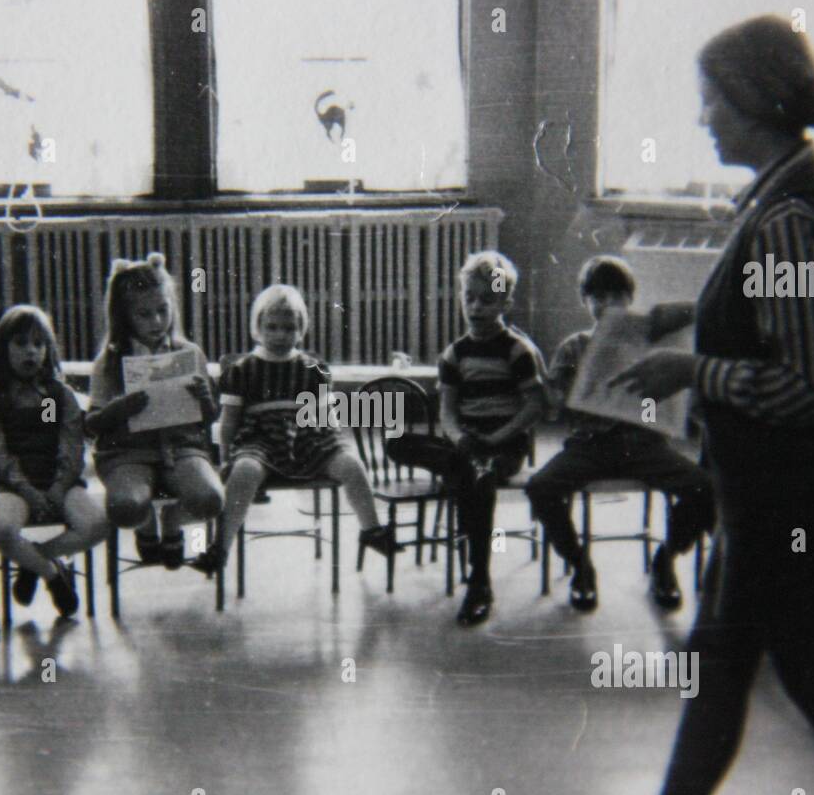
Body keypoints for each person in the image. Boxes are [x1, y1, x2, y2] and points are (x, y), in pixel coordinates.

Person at [611, 16, 814, 795]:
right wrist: (683, 317)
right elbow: (790, 319)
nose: (702, 118)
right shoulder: (793, 192)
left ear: (749, 99)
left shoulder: (786, 219)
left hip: (799, 509)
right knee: (730, 681)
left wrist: (691, 371)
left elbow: (812, 387)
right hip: (784, 503)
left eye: (709, 101)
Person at [526, 255, 714, 612]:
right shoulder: (574, 347)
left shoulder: (652, 343)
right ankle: (580, 564)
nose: (607, 304)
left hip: (645, 445)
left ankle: (666, 559)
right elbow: (553, 404)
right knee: (540, 487)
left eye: (615, 295)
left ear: (630, 297)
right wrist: (553, 392)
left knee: (703, 487)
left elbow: (674, 398)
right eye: (597, 296)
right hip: (590, 446)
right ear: (586, 301)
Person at [189, 284, 398, 576]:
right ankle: (220, 547)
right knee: (244, 471)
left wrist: (340, 446)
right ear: (257, 327)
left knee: (352, 465)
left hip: (307, 438)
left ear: (301, 329)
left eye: (288, 328)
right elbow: (230, 422)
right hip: (260, 439)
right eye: (271, 327)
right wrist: (225, 459)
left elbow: (326, 418)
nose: (279, 335)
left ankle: (371, 529)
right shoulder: (243, 370)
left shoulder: (313, 369)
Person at [84, 254, 223, 570]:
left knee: (211, 500)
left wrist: (205, 399)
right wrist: (118, 409)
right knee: (126, 507)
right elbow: (91, 425)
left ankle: (172, 519)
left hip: (181, 448)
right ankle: (146, 523)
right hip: (127, 453)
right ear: (125, 317)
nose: (157, 322)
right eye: (144, 315)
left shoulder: (189, 353)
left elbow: (209, 419)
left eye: (163, 311)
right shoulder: (109, 361)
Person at [430, 251, 546, 627]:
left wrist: (496, 437)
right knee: (398, 445)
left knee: (476, 479)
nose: (476, 307)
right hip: (470, 441)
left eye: (488, 299)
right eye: (470, 298)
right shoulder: (455, 354)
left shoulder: (517, 350)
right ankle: (465, 464)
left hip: (504, 443)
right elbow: (446, 411)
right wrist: (460, 437)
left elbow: (533, 407)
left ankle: (479, 581)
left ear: (505, 303)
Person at [0, 305, 107, 621]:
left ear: (48, 350)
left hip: (58, 482)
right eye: (20, 343)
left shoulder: (58, 395)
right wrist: (28, 491)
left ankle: (33, 562)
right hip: (14, 485)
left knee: (97, 523)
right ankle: (50, 573)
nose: (30, 352)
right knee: (1, 527)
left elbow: (71, 446)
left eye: (39, 344)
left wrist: (59, 487)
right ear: (3, 348)